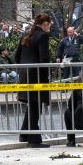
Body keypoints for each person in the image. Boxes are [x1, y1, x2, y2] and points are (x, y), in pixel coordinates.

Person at [13, 13, 54, 147]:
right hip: (36, 76)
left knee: (32, 106)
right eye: (49, 24)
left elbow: (17, 56)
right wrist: (47, 74)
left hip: (25, 75)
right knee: (35, 107)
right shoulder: (42, 36)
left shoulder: (25, 35)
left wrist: (23, 69)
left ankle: (24, 135)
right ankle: (34, 140)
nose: (50, 26)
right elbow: (44, 59)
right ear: (45, 24)